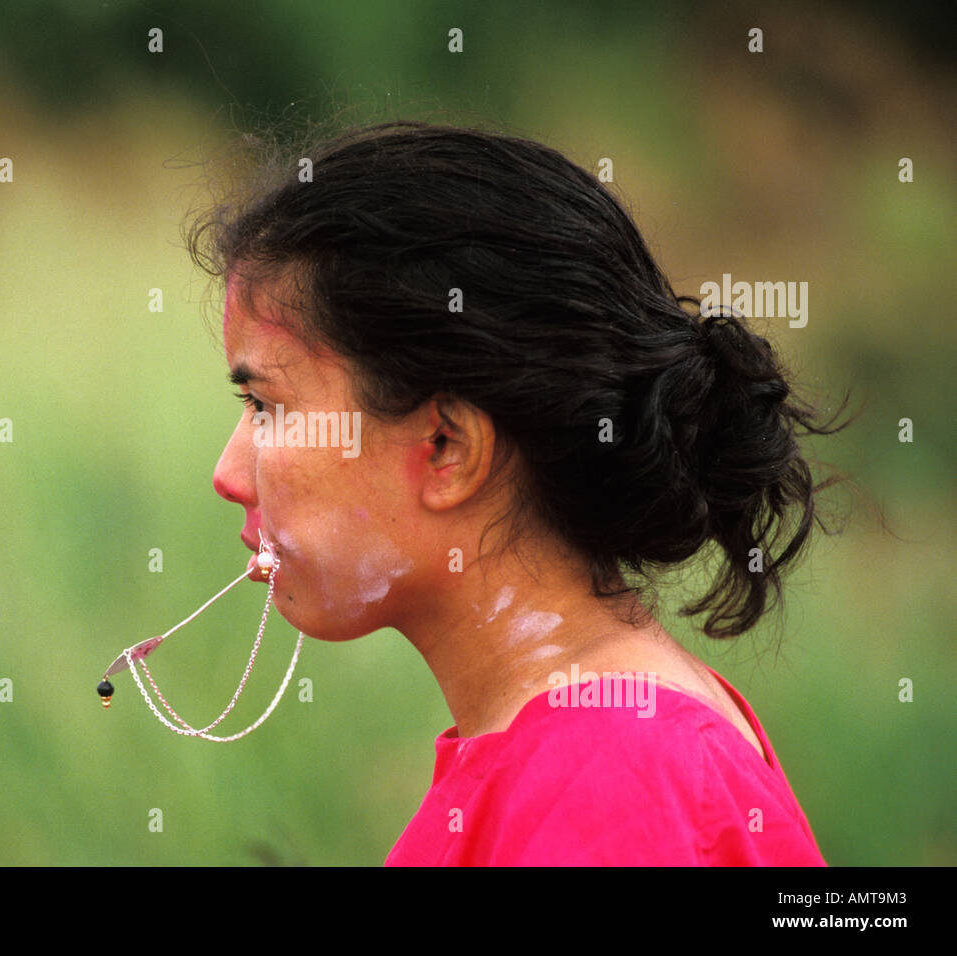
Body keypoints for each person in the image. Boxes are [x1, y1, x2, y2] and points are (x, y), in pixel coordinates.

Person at [186, 120, 850, 865]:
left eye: (266, 407)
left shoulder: (614, 773)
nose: (229, 474)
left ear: (446, 449)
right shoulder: (575, 744)